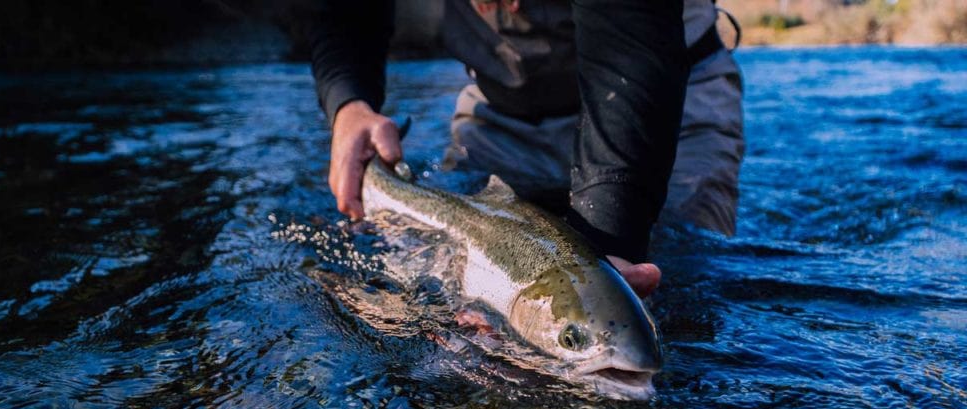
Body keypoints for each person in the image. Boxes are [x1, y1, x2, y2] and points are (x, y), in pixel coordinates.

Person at [309, 0, 744, 298]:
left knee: (680, 297)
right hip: (503, 109)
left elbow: (629, 49)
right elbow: (349, 11)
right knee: (442, 298)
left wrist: (610, 245)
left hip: (663, 98)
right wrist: (349, 102)